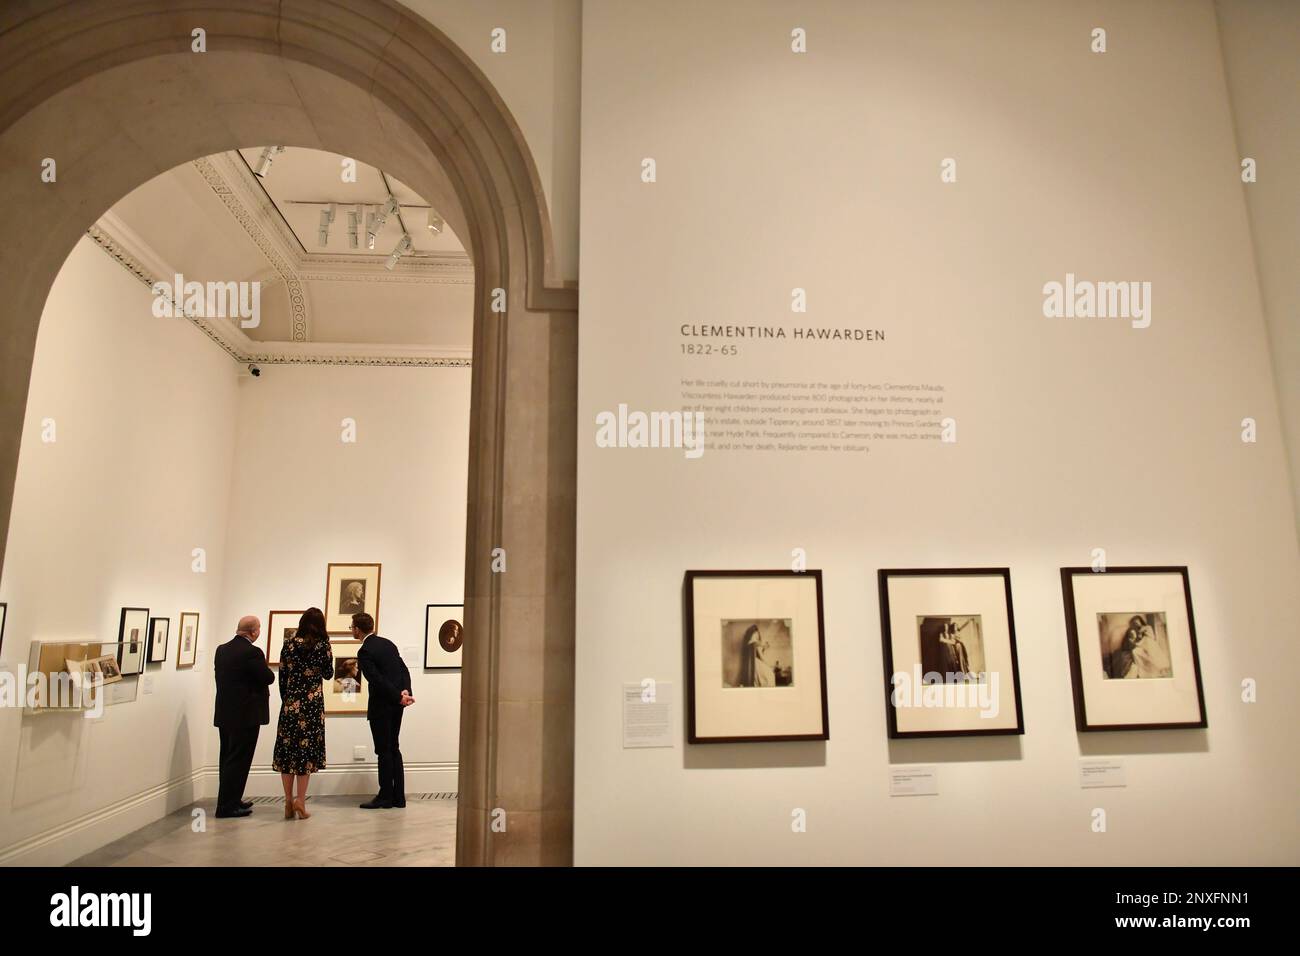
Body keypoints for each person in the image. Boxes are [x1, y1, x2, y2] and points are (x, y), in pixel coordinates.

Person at [272, 608, 333, 821]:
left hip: (291, 704)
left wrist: (287, 699)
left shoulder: (289, 644)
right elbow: (329, 674)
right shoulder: (322, 645)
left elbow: (282, 675)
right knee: (305, 754)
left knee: (287, 752)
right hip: (312, 706)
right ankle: (301, 800)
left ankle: (288, 801)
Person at [213, 615, 274, 819]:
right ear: (253, 632)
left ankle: (230, 800)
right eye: (259, 629)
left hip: (225, 714)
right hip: (246, 715)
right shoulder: (252, 652)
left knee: (227, 758)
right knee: (239, 760)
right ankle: (227, 806)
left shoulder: (222, 650)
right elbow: (268, 677)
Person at [353, 612, 414, 809]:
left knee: (383, 750)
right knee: (394, 747)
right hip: (397, 705)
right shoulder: (388, 644)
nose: (352, 630)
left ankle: (385, 796)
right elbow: (403, 670)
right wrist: (405, 691)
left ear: (357, 629)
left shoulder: (365, 651)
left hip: (382, 706)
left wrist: (398, 696)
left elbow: (376, 680)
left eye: (352, 627)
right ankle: (399, 797)